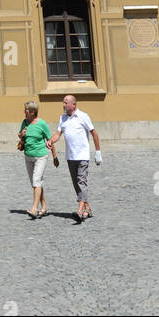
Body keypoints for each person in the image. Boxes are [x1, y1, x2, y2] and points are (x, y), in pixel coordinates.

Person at [48, 94, 102, 222]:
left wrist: (98, 152)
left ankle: (79, 210)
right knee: (76, 183)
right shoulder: (63, 118)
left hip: (82, 155)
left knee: (81, 181)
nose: (63, 105)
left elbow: (93, 132)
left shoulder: (83, 116)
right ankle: (87, 209)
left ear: (73, 104)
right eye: (63, 102)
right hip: (70, 156)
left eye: (66, 102)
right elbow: (58, 133)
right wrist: (51, 141)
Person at [17, 100, 54, 218]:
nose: (24, 112)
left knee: (36, 181)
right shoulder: (25, 122)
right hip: (28, 156)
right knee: (35, 183)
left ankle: (34, 208)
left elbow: (50, 140)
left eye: (26, 110)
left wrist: (55, 157)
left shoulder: (42, 123)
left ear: (33, 112)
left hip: (41, 156)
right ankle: (43, 207)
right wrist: (21, 135)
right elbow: (20, 135)